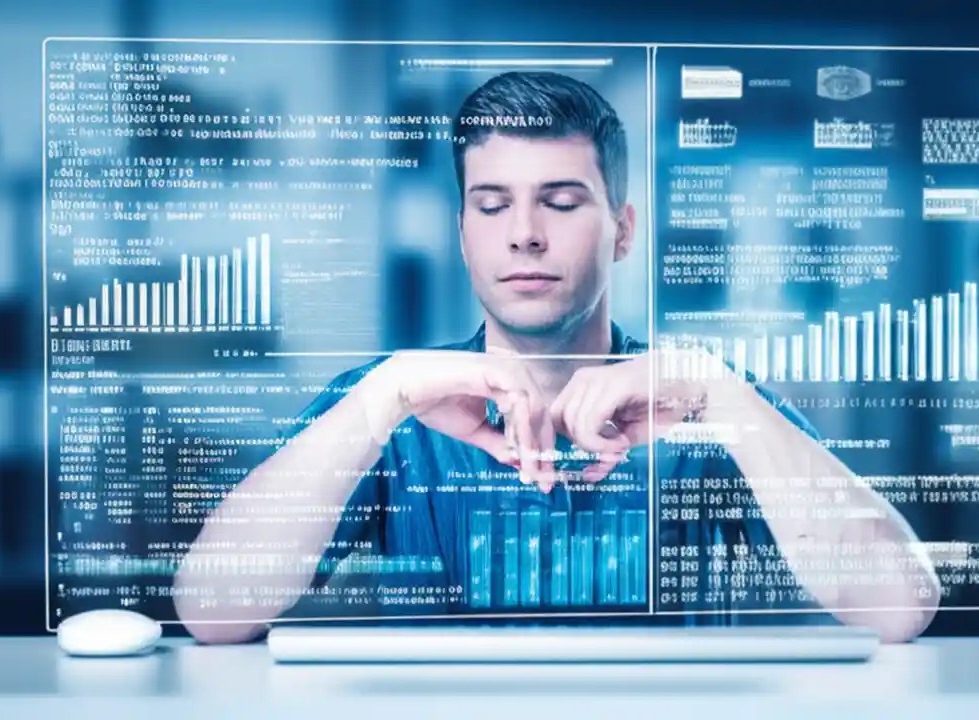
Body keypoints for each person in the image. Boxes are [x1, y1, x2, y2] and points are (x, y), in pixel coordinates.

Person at [174, 71, 939, 644]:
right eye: (493, 204)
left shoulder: (707, 401)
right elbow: (210, 613)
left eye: (563, 202)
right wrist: (380, 401)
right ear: (463, 232)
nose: (525, 234)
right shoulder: (387, 403)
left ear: (623, 229)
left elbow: (899, 606)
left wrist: (721, 398)